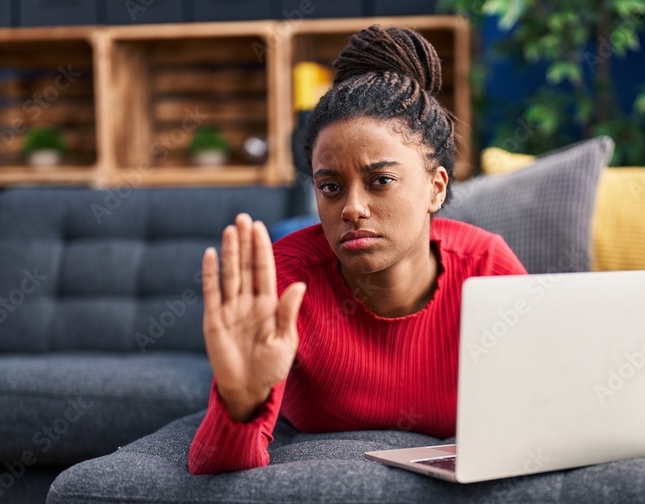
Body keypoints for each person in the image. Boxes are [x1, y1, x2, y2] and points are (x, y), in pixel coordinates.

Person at [188, 25, 527, 475]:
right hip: (312, 258)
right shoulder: (282, 281)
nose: (352, 209)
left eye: (380, 181)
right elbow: (215, 469)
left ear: (435, 187)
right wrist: (241, 399)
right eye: (330, 187)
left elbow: (543, 417)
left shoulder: (487, 266)